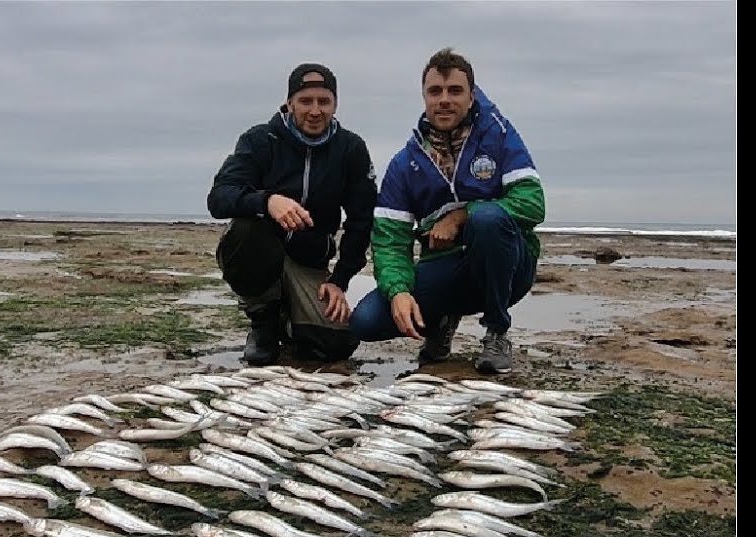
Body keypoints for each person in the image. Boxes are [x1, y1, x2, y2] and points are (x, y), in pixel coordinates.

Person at [349, 47, 545, 374]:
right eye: (435, 91)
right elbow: (389, 241)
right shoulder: (404, 164)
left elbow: (533, 201)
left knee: (486, 219)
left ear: (471, 97)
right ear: (424, 97)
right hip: (446, 268)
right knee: (366, 321)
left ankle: (496, 332)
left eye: (455, 91)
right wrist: (398, 291)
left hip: (510, 268)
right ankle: (441, 320)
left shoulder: (499, 137)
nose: (444, 100)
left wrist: (462, 215)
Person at [207, 62, 378, 366]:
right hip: (262, 251)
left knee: (336, 344)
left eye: (324, 101)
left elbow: (361, 222)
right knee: (246, 230)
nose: (315, 111)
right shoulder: (260, 140)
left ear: (335, 104)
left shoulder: (351, 148)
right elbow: (219, 198)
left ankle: (289, 321)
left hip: (309, 261)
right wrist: (267, 200)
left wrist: (340, 280)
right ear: (290, 103)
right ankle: (263, 323)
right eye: (305, 101)